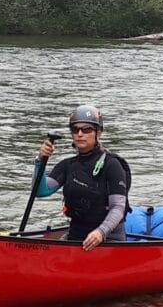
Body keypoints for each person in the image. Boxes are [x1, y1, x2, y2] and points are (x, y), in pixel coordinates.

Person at [34, 104, 132, 249]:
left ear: (98, 133)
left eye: (86, 129)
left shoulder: (112, 165)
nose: (80, 134)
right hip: (76, 237)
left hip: (107, 241)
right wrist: (39, 161)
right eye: (75, 129)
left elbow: (118, 207)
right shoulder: (67, 165)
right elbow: (40, 191)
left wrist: (100, 232)